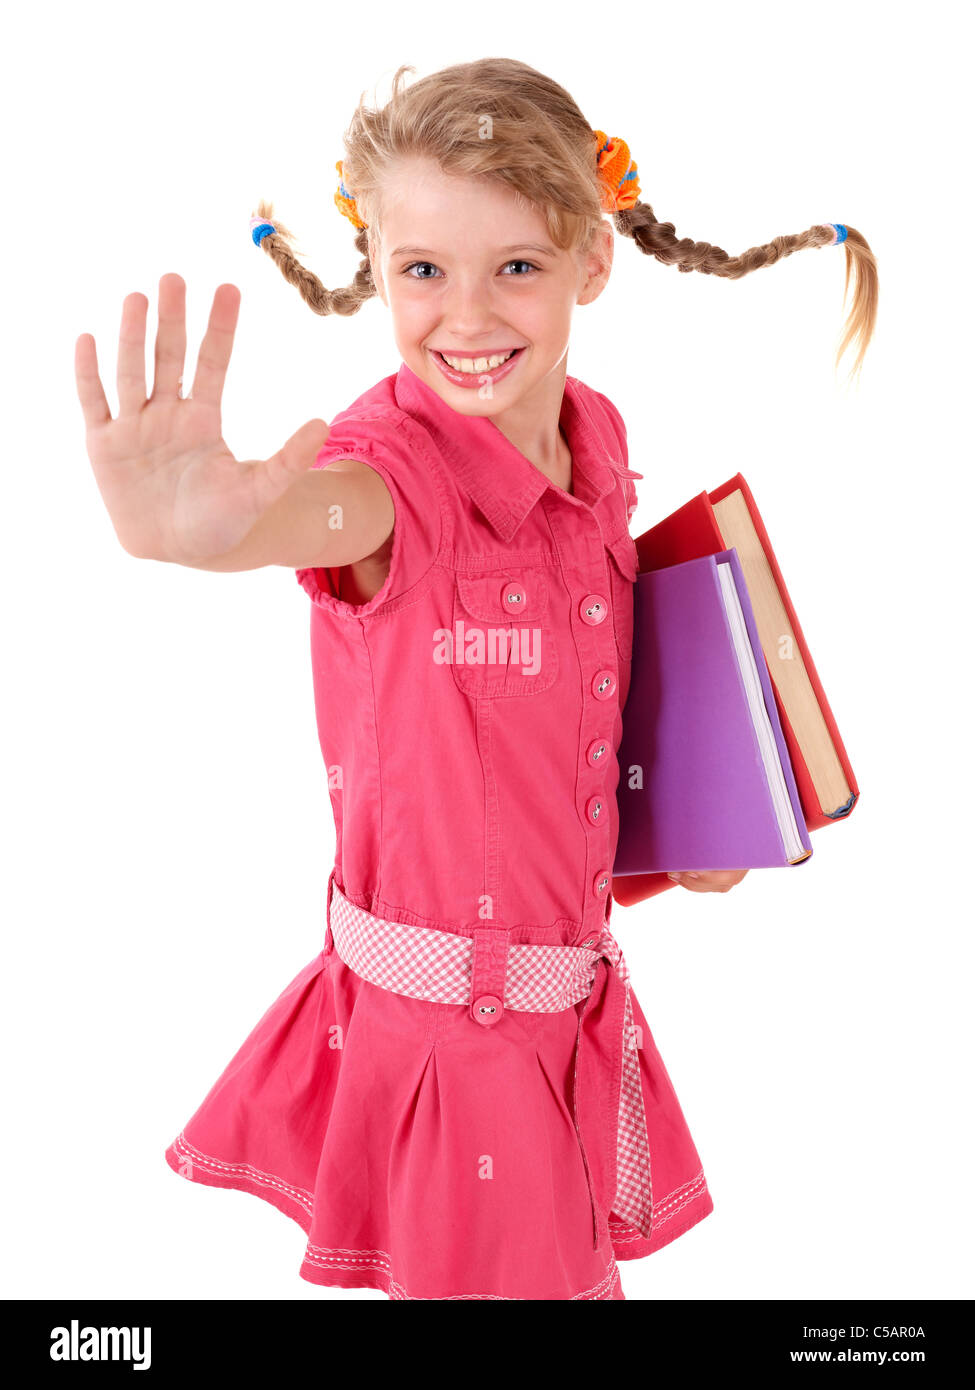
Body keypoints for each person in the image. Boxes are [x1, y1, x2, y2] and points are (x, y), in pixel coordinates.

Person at [73, 57, 877, 1301]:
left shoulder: (600, 442)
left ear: (589, 264)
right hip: (458, 1057)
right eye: (422, 272)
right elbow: (319, 514)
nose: (465, 316)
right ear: (379, 271)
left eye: (517, 266)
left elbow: (551, 729)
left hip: (567, 1025)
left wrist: (679, 832)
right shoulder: (385, 478)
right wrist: (204, 528)